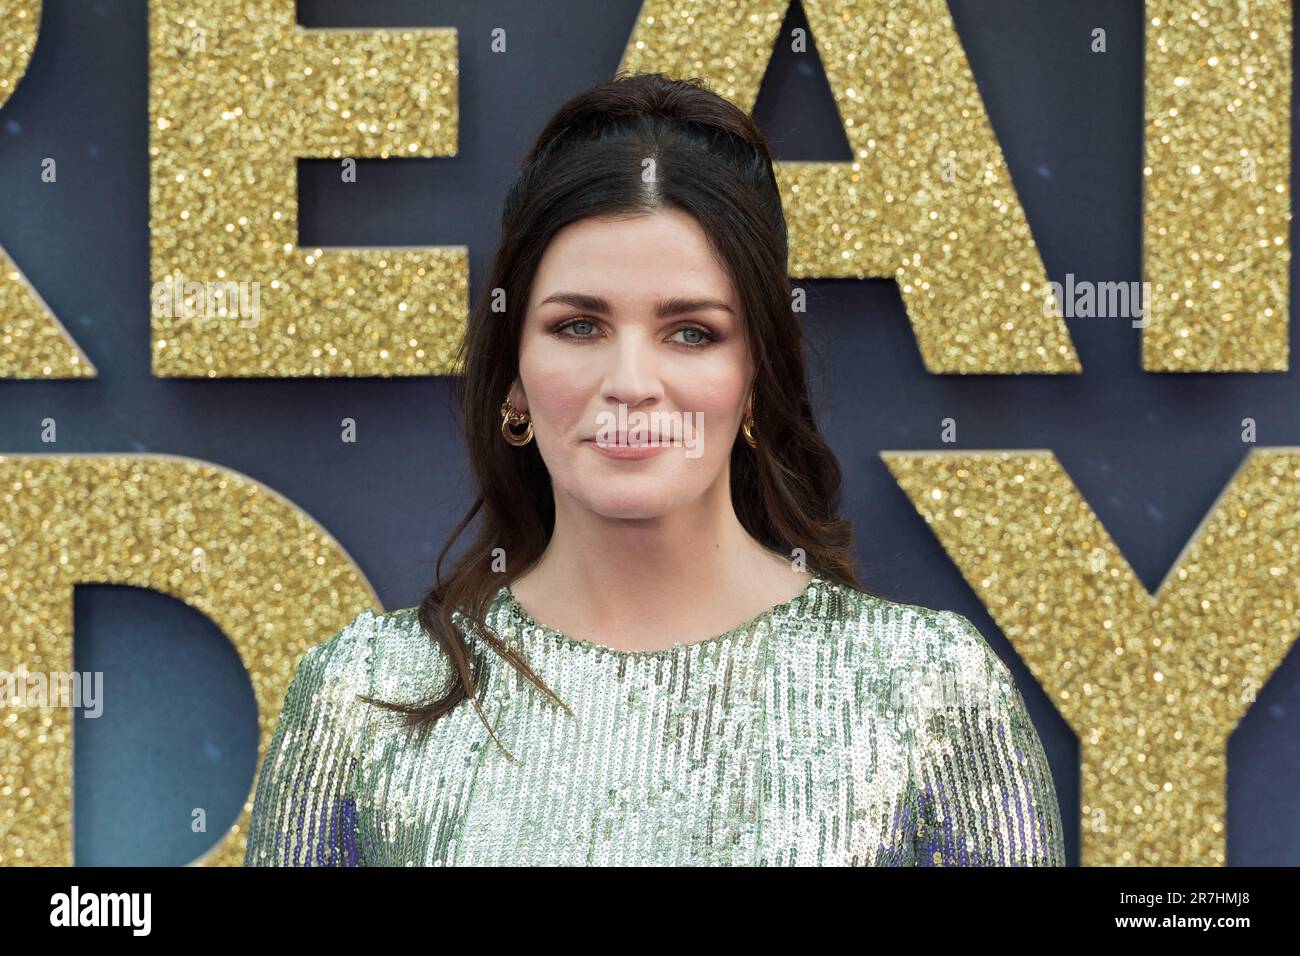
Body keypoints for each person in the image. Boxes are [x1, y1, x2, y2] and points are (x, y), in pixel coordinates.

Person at [243, 72, 1066, 867]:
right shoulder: (366, 698)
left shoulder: (927, 693)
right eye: (577, 327)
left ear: (757, 377)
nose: (632, 384)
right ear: (513, 375)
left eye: (692, 333)